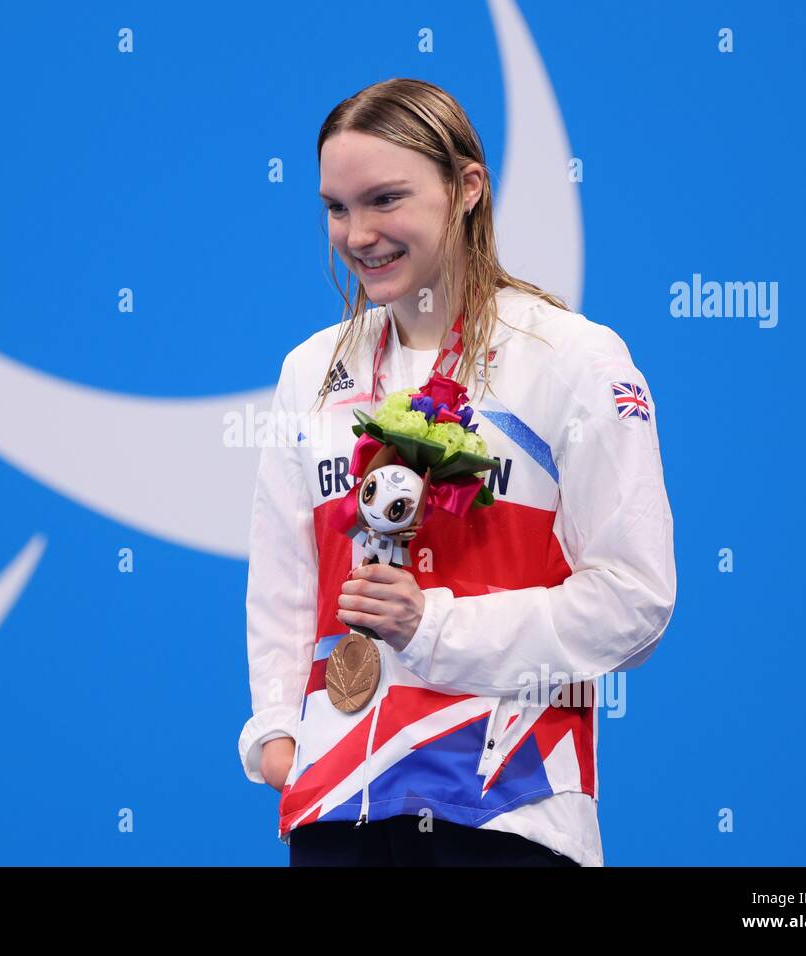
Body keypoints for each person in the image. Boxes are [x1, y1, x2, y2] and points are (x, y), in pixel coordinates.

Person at [238, 78, 677, 867]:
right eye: (336, 208)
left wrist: (435, 629)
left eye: (384, 200)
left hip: (507, 808)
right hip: (340, 809)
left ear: (467, 187)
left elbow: (635, 600)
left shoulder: (572, 360)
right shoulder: (311, 372)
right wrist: (277, 730)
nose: (357, 233)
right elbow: (285, 580)